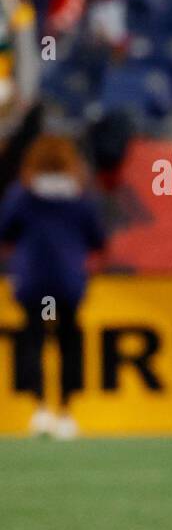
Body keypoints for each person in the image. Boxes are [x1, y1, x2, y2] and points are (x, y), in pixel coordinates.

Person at [0, 133, 105, 438]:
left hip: (35, 283)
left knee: (34, 341)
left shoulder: (23, 195)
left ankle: (41, 408)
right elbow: (96, 239)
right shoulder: (79, 197)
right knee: (68, 343)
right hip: (67, 283)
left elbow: (5, 232)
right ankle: (66, 412)